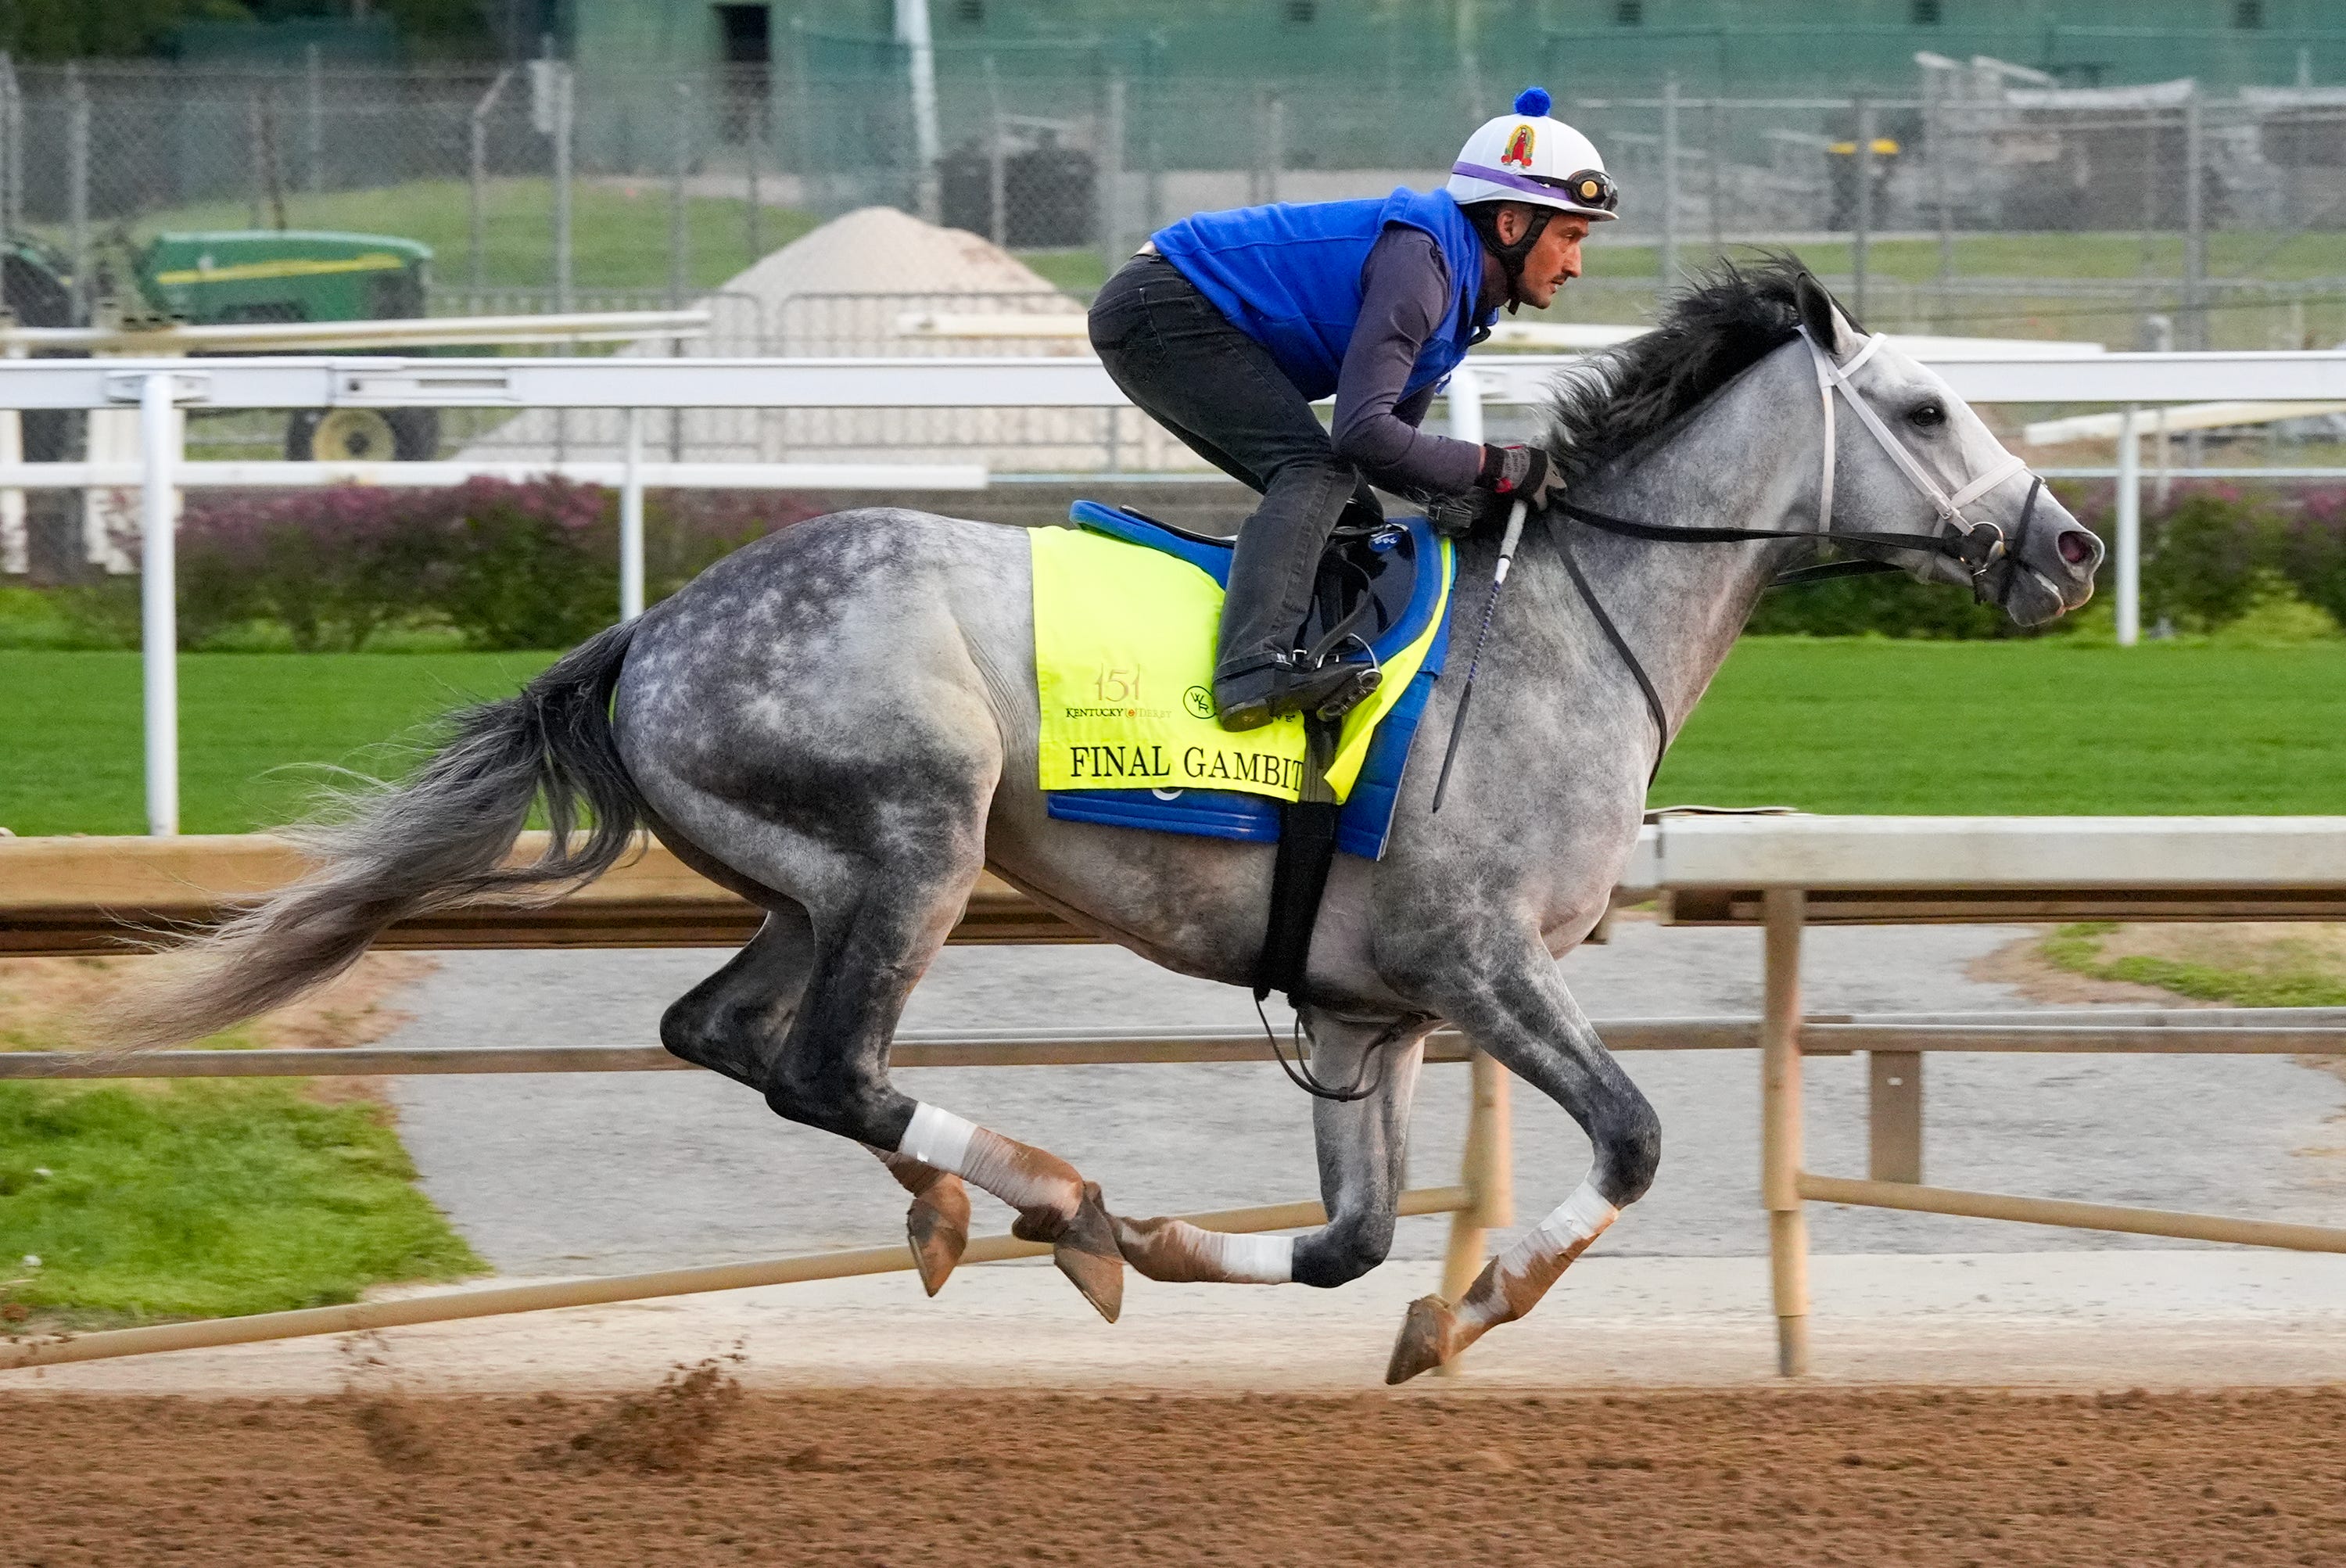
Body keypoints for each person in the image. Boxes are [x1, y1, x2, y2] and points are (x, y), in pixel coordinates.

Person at [1087, 87, 1618, 732]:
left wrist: (1475, 493)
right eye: (1568, 236)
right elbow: (1363, 432)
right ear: (1510, 225)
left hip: (1166, 307)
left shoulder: (1461, 300)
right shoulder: (1422, 265)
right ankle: (1253, 668)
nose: (1577, 264)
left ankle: (1309, 656)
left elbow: (1391, 452)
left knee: (1349, 501)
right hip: (1159, 306)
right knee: (1316, 476)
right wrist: (1495, 465)